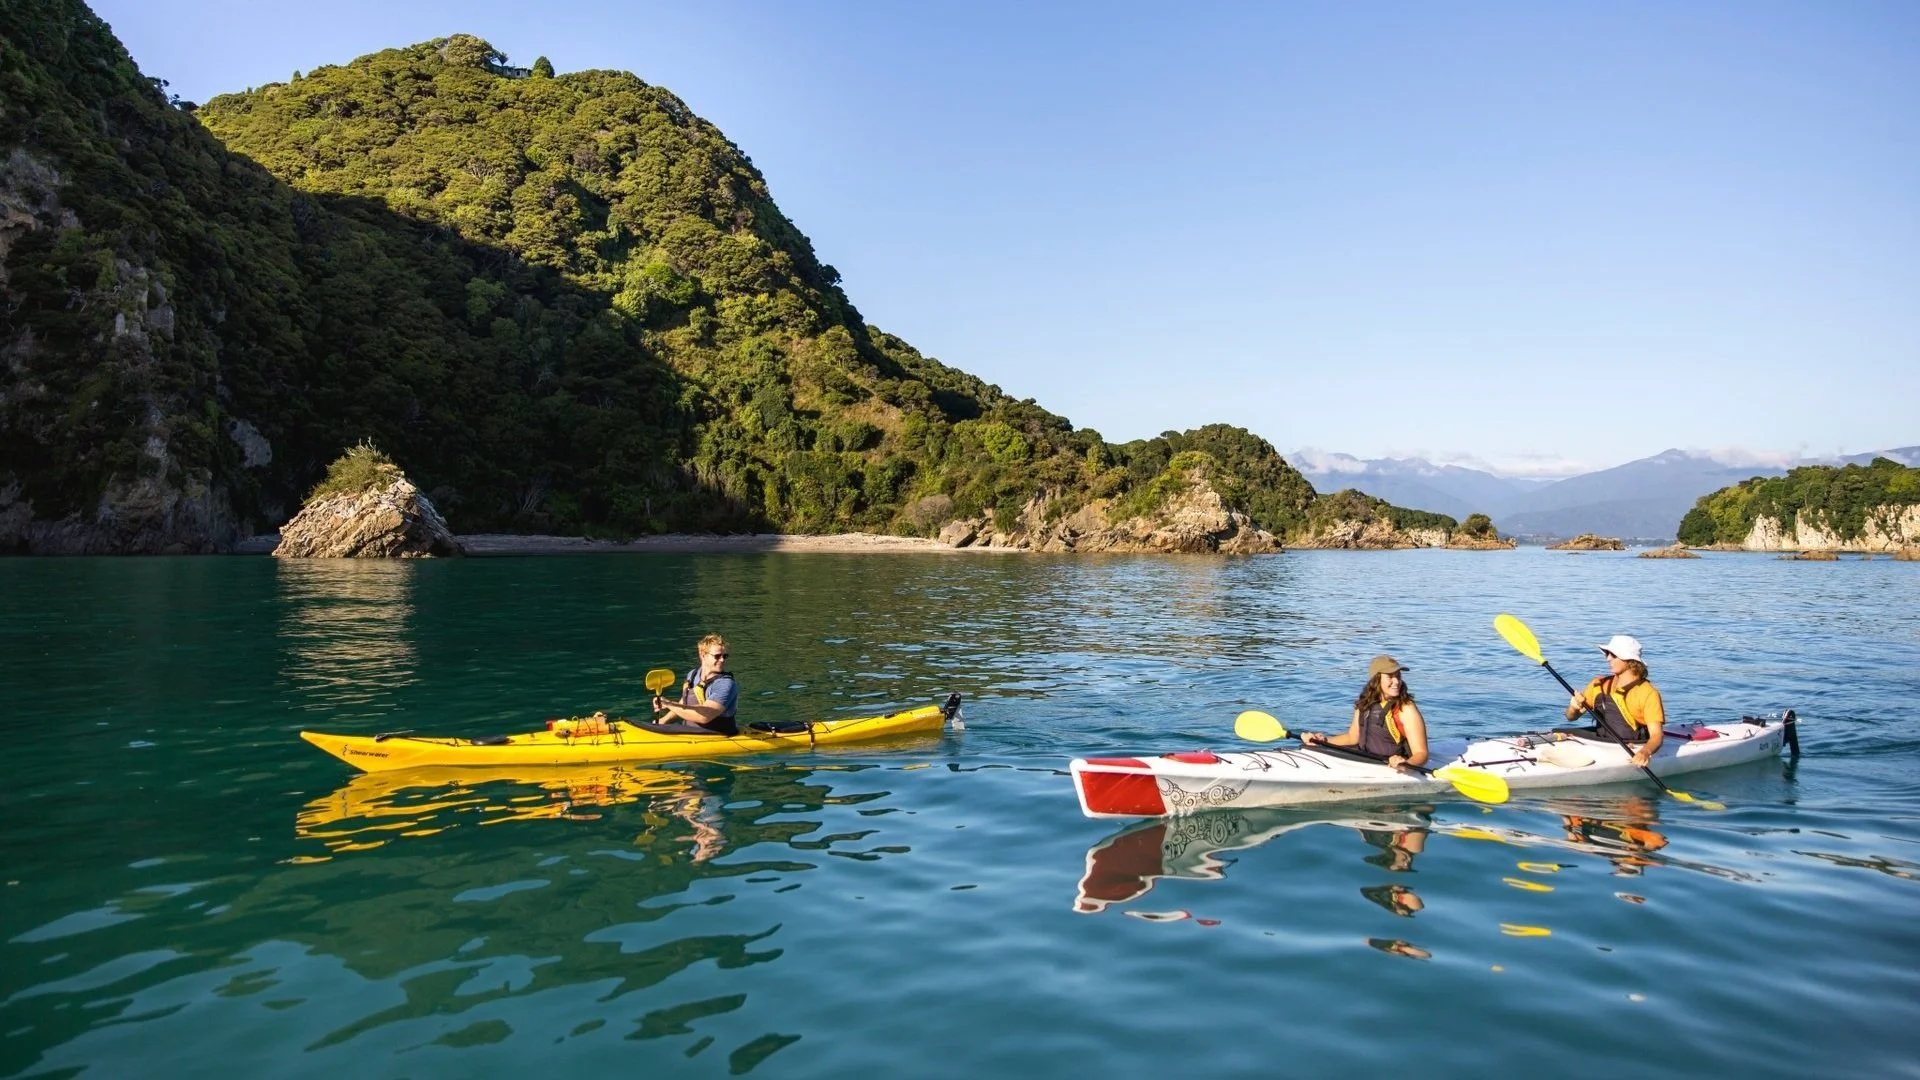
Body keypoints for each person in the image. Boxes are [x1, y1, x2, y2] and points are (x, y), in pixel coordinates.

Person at [1300, 655, 1430, 772]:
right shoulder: (1364, 704)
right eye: (1390, 676)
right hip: (1364, 759)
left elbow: (1421, 753)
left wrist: (1405, 763)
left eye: (1398, 676)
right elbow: (1352, 738)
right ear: (1376, 679)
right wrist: (1322, 741)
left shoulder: (1406, 709)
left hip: (1390, 766)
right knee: (1310, 748)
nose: (1396, 682)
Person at [1565, 634, 1664, 766]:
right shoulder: (1598, 684)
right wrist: (1573, 708)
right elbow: (1570, 718)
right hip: (1600, 743)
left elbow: (1657, 735)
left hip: (1630, 746)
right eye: (1607, 654)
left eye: (1613, 655)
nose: (1608, 659)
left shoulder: (1647, 693)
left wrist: (1645, 752)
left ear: (1629, 660)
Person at [646, 633, 739, 736]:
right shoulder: (693, 675)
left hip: (716, 735)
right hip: (690, 732)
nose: (722, 660)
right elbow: (685, 702)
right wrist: (664, 720)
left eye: (725, 656)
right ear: (703, 655)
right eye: (717, 656)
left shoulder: (725, 684)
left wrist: (669, 704)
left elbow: (704, 716)